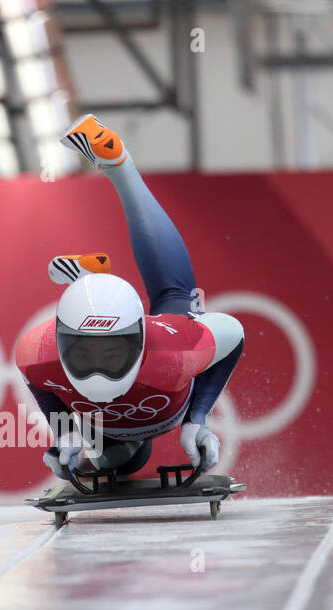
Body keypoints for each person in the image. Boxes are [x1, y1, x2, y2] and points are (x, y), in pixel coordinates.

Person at [15, 115, 244, 480]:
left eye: (111, 353)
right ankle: (92, 284)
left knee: (175, 294)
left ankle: (120, 165)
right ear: (62, 344)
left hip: (155, 346)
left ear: (140, 338)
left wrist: (196, 421)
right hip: (129, 398)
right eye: (85, 353)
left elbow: (233, 333)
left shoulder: (172, 351)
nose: (99, 369)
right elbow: (233, 334)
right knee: (121, 463)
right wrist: (195, 421)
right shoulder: (37, 356)